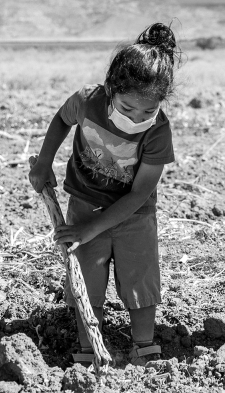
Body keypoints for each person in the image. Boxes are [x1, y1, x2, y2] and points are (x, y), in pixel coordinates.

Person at [28, 23, 180, 365]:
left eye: (148, 111)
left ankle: (143, 345)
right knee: (86, 277)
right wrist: (45, 161)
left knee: (140, 277)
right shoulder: (88, 101)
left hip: (134, 215)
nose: (137, 119)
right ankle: (88, 348)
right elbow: (62, 119)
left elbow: (139, 193)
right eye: (127, 109)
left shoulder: (158, 133)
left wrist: (90, 230)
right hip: (85, 204)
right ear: (111, 90)